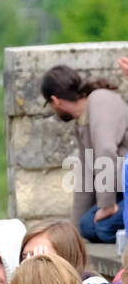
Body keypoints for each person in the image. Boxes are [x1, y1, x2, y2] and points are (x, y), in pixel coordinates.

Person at [40, 63, 128, 244]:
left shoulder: (99, 100)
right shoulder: (82, 123)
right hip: (119, 193)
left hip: (124, 187)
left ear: (55, 101)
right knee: (86, 225)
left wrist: (107, 206)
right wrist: (72, 236)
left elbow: (105, 150)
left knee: (103, 227)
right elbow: (85, 176)